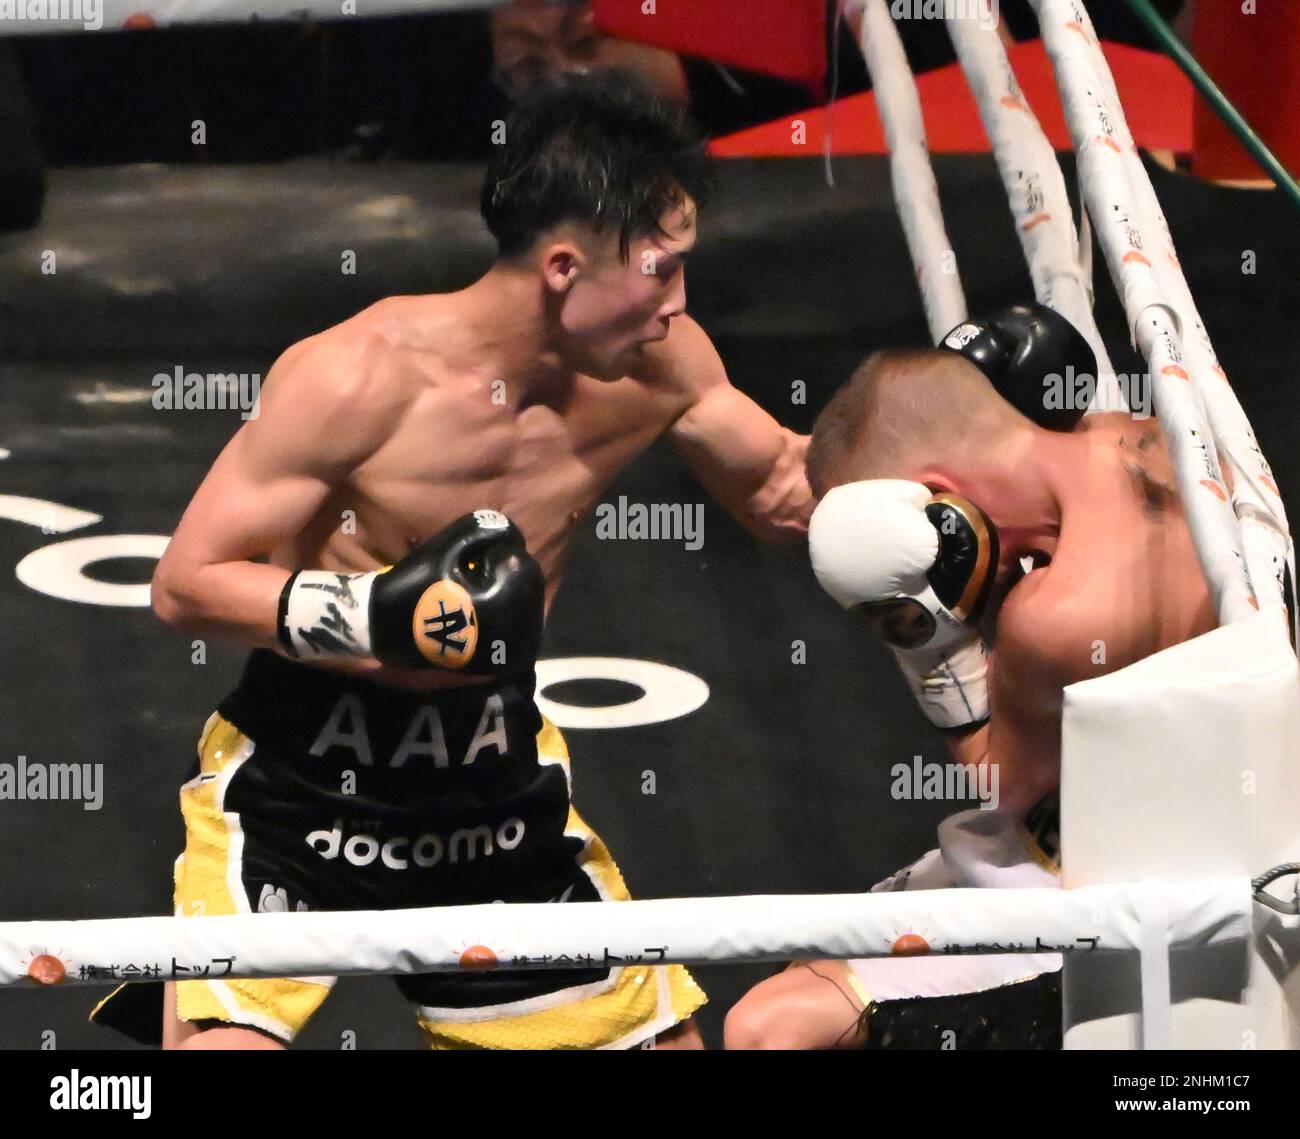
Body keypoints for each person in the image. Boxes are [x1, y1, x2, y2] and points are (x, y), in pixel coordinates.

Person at [90, 72, 812, 1051]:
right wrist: (383, 614)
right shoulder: (358, 375)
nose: (678, 304)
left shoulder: (663, 367)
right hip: (303, 782)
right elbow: (188, 582)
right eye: (659, 269)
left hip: (491, 785)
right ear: (564, 265)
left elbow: (785, 487)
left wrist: (951, 478)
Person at [725, 304, 1224, 1049]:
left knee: (766, 1030)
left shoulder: (1055, 617)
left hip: (1114, 908)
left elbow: (1001, 783)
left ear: (934, 502)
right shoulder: (1150, 434)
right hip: (1199, 829)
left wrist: (921, 636)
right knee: (821, 959)